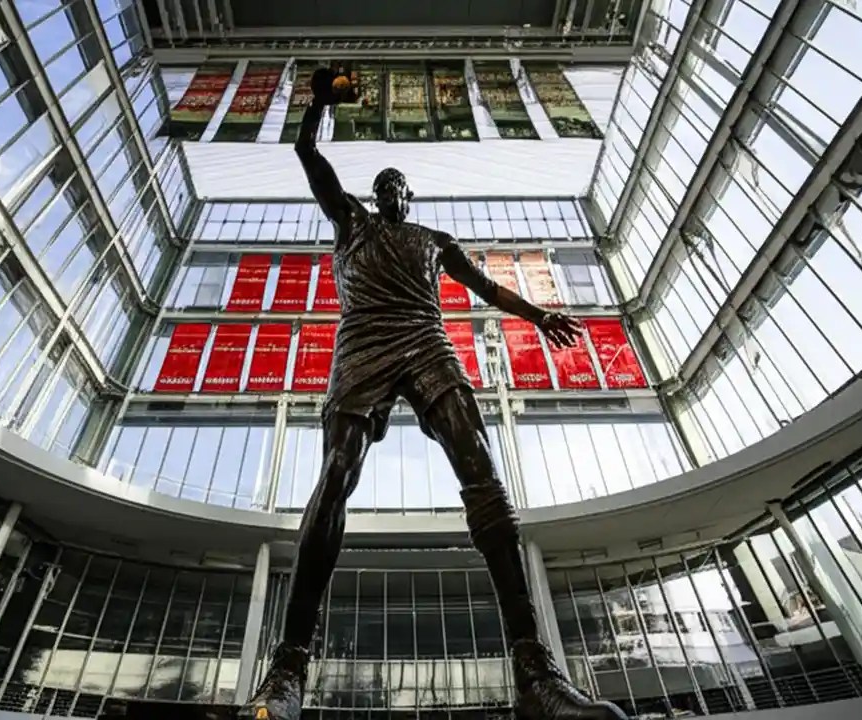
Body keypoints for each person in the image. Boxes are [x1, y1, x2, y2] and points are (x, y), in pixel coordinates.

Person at [239, 68, 628, 720]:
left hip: (426, 341)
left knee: (479, 464)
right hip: (362, 342)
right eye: (382, 184)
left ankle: (535, 671)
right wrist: (317, 102)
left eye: (399, 186)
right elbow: (307, 154)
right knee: (335, 473)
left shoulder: (433, 241)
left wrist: (538, 316)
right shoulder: (351, 224)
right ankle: (287, 671)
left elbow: (485, 288)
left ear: (410, 197)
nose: (390, 190)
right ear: (374, 194)